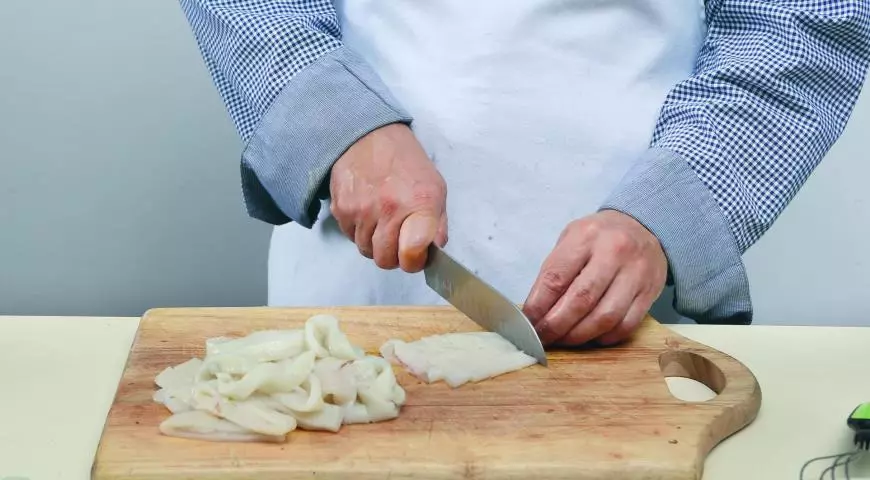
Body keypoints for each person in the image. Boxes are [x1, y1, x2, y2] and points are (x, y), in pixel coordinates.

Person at [177, 0, 869, 347]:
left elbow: (799, 24)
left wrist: (671, 211)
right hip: (353, 277)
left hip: (629, 305)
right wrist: (335, 125)